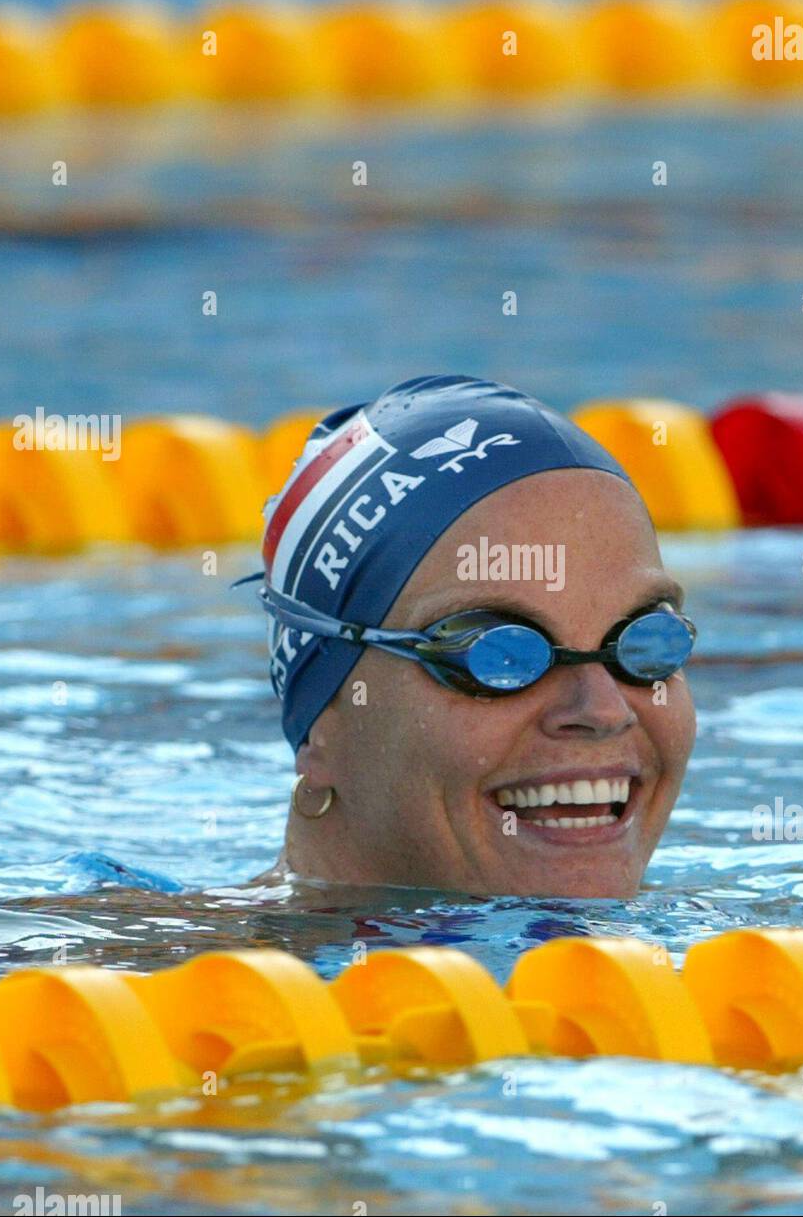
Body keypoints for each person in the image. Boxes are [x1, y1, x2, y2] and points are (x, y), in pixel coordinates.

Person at [242, 374, 697, 899]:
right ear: (321, 722)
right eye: (496, 652)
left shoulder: (750, 958)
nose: (603, 712)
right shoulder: (177, 969)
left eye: (645, 644)